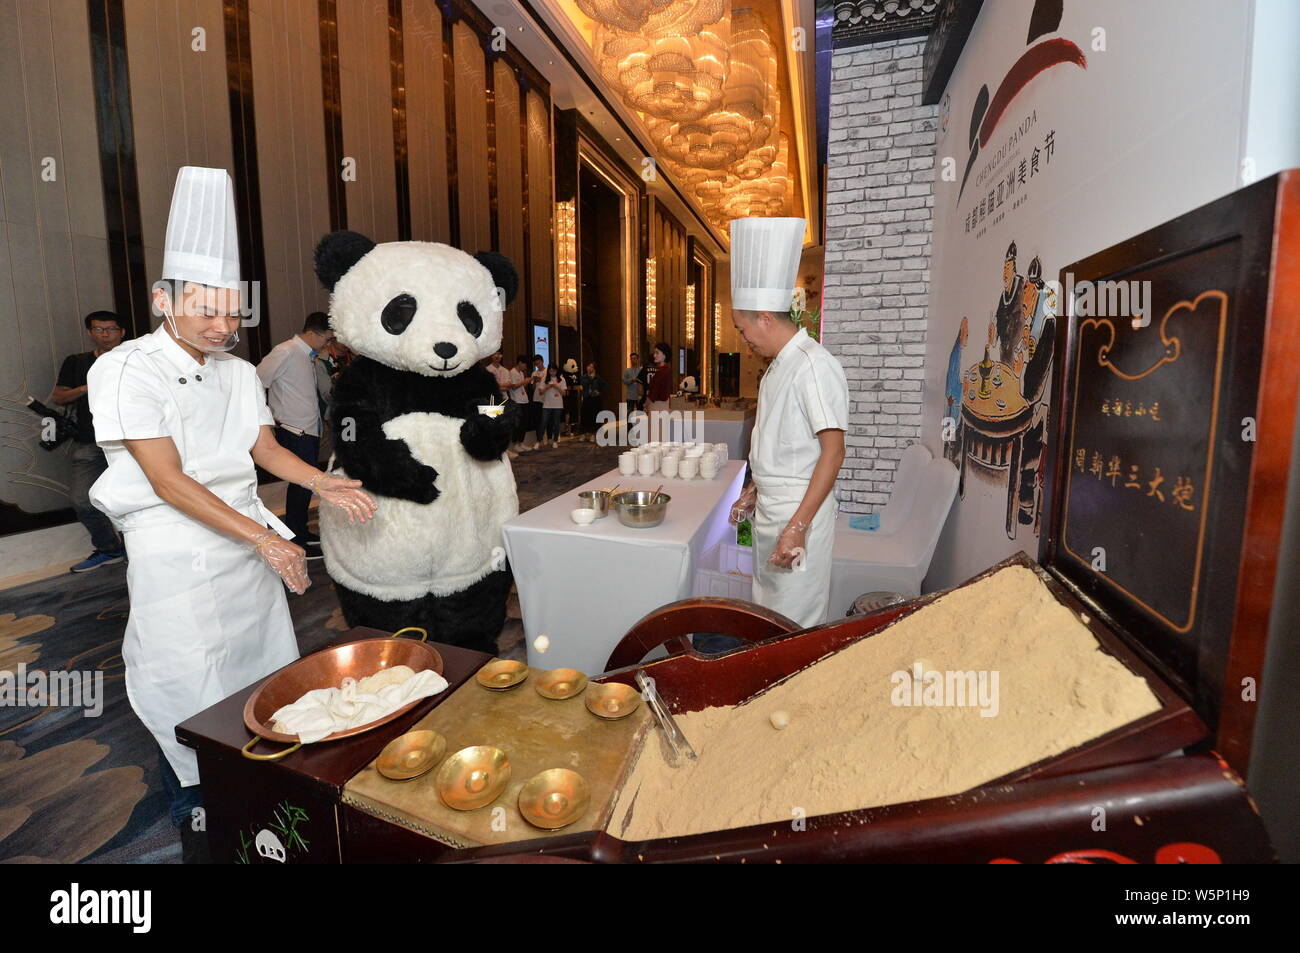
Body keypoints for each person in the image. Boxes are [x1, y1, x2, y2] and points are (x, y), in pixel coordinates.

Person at [85, 167, 377, 862]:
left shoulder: (239, 372)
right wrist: (267, 539)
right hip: (173, 541)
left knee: (259, 660)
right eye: (205, 310)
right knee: (184, 672)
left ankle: (257, 768)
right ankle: (191, 792)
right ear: (163, 299)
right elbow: (165, 476)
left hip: (242, 539)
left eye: (231, 311)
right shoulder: (129, 368)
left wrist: (324, 483)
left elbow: (264, 447)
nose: (222, 326)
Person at [727, 217, 847, 629]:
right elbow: (786, 443)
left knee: (795, 624)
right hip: (773, 510)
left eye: (744, 331)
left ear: (764, 317)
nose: (746, 341)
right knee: (768, 617)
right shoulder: (780, 365)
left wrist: (797, 527)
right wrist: (755, 489)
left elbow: (833, 453)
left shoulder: (815, 365)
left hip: (800, 513)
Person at [53, 311, 128, 572]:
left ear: (122, 332)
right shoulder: (77, 362)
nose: (105, 334)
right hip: (91, 441)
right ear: (89, 332)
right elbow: (59, 397)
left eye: (111, 329)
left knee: (139, 498)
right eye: (98, 329)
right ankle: (110, 548)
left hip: (133, 442)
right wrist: (88, 386)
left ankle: (143, 552)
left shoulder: (136, 359)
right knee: (82, 501)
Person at [256, 312, 336, 555]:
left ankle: (299, 530)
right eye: (327, 339)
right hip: (294, 429)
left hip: (309, 428)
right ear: (313, 333)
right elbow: (256, 379)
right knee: (301, 483)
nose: (328, 344)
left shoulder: (306, 355)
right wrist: (269, 414)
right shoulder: (287, 351)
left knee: (304, 485)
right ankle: (295, 537)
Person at [535, 363, 567, 448]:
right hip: (547, 404)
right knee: (543, 422)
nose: (552, 372)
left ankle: (555, 440)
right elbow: (540, 392)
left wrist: (557, 386)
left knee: (556, 423)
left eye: (554, 371)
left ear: (557, 371)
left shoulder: (561, 379)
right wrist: (548, 386)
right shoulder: (544, 379)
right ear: (548, 371)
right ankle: (538, 441)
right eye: (550, 371)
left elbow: (564, 393)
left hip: (558, 405)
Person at [506, 354, 532, 454]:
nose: (525, 367)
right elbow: (513, 386)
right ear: (520, 363)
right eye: (525, 364)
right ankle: (516, 444)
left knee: (524, 423)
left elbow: (521, 385)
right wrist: (525, 381)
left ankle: (521, 442)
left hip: (524, 399)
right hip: (516, 401)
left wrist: (527, 381)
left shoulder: (521, 373)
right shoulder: (512, 372)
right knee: (518, 424)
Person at [579, 362, 606, 441]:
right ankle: (584, 434)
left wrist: (599, 392)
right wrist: (590, 377)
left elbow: (605, 386)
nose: (589, 368)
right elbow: (583, 384)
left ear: (594, 369)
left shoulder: (598, 378)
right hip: (587, 398)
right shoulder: (584, 377)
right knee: (585, 416)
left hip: (595, 399)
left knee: (594, 417)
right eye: (588, 366)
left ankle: (593, 434)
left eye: (591, 367)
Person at [645, 342, 672, 418]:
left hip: (656, 407)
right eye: (654, 353)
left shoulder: (661, 371)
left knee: (655, 429)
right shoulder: (667, 370)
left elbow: (653, 393)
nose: (654, 355)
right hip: (664, 406)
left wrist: (646, 405)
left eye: (657, 353)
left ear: (664, 355)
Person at [527, 353, 546, 447]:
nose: (538, 365)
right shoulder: (534, 373)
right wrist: (535, 381)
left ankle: (546, 438)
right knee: (538, 420)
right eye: (536, 364)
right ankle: (539, 439)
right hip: (536, 399)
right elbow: (533, 388)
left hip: (546, 399)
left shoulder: (547, 371)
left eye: (539, 363)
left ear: (542, 362)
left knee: (545, 419)